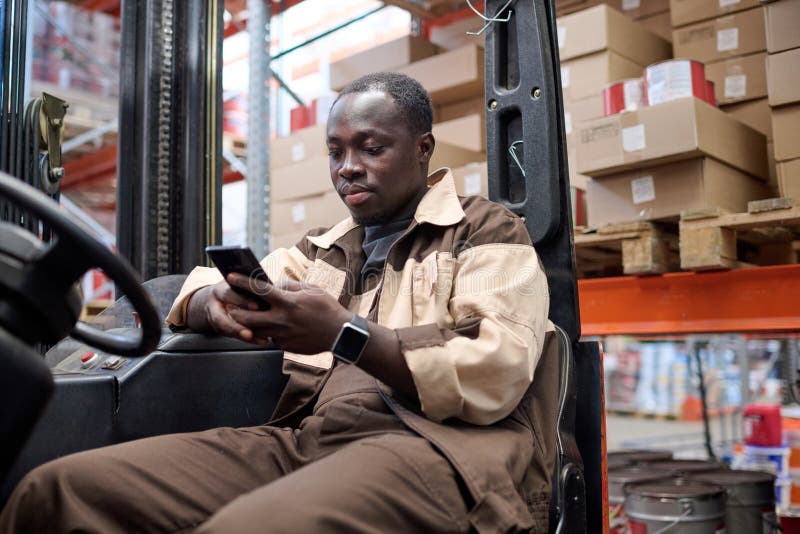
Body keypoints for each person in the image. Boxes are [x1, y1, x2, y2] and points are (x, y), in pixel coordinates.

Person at [0, 72, 553, 533]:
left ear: (422, 147)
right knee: (57, 492)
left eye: (371, 148)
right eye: (335, 153)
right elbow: (193, 287)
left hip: (440, 447)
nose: (347, 168)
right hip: (314, 439)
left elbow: (496, 365)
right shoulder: (325, 249)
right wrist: (212, 302)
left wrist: (344, 334)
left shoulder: (483, 229)